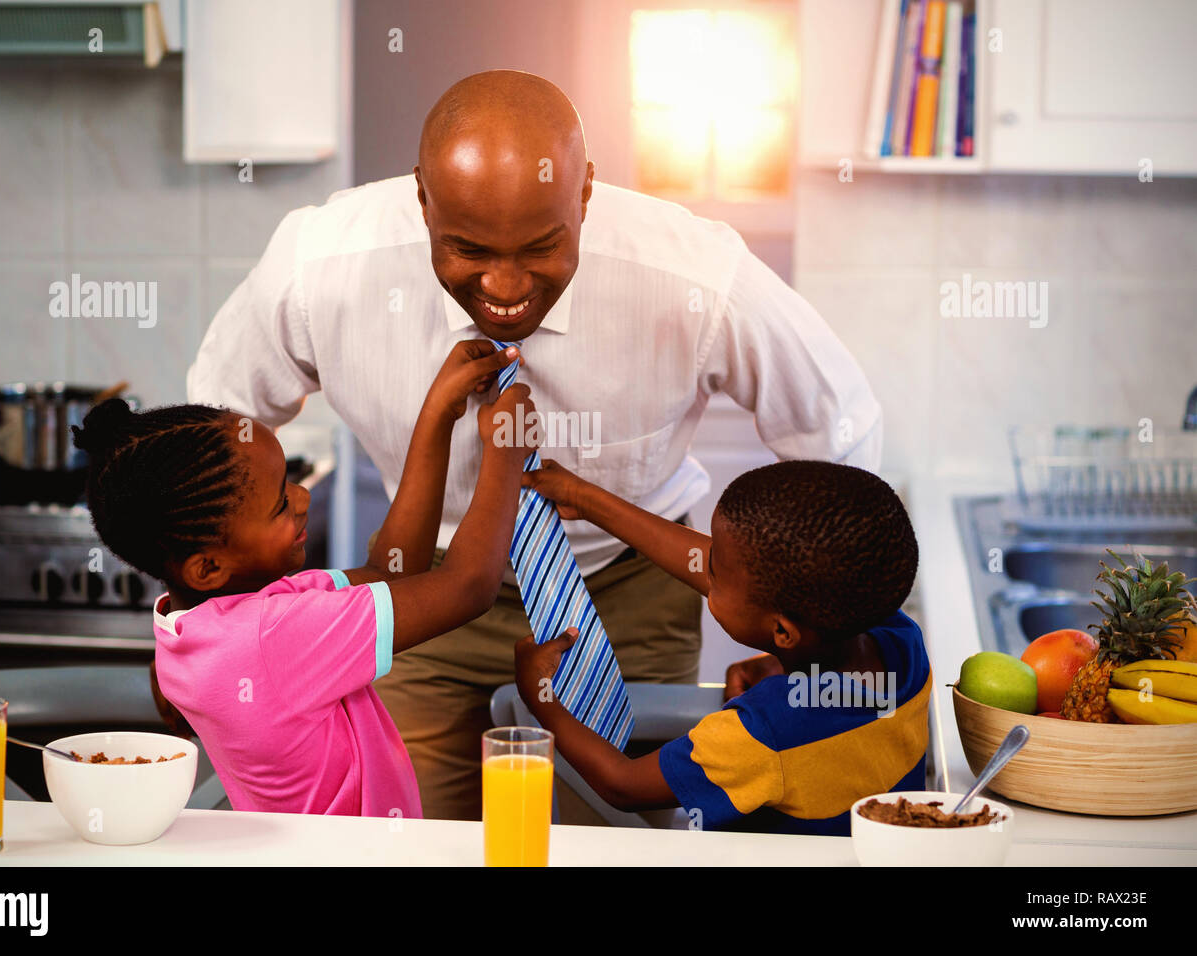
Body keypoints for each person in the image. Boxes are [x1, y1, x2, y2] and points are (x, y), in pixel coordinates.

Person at [187, 69, 883, 821]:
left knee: (615, 848)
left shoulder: (693, 275)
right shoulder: (319, 267)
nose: (506, 284)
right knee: (406, 842)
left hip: (628, 604)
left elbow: (839, 433)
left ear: (583, 191)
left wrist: (802, 643)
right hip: (420, 599)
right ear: (422, 198)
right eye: (467, 249)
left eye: (541, 248)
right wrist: (215, 630)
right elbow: (210, 434)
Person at [74, 341, 533, 817]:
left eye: (290, 478)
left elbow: (391, 571)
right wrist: (505, 453)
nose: (302, 498)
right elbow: (470, 587)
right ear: (208, 568)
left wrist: (438, 413)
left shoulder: (195, 624)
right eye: (278, 503)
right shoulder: (273, 637)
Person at [513, 458, 930, 835]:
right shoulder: (902, 643)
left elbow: (622, 785)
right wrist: (582, 498)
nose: (702, 564)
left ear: (784, 632)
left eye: (715, 569)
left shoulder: (764, 733)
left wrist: (542, 699)